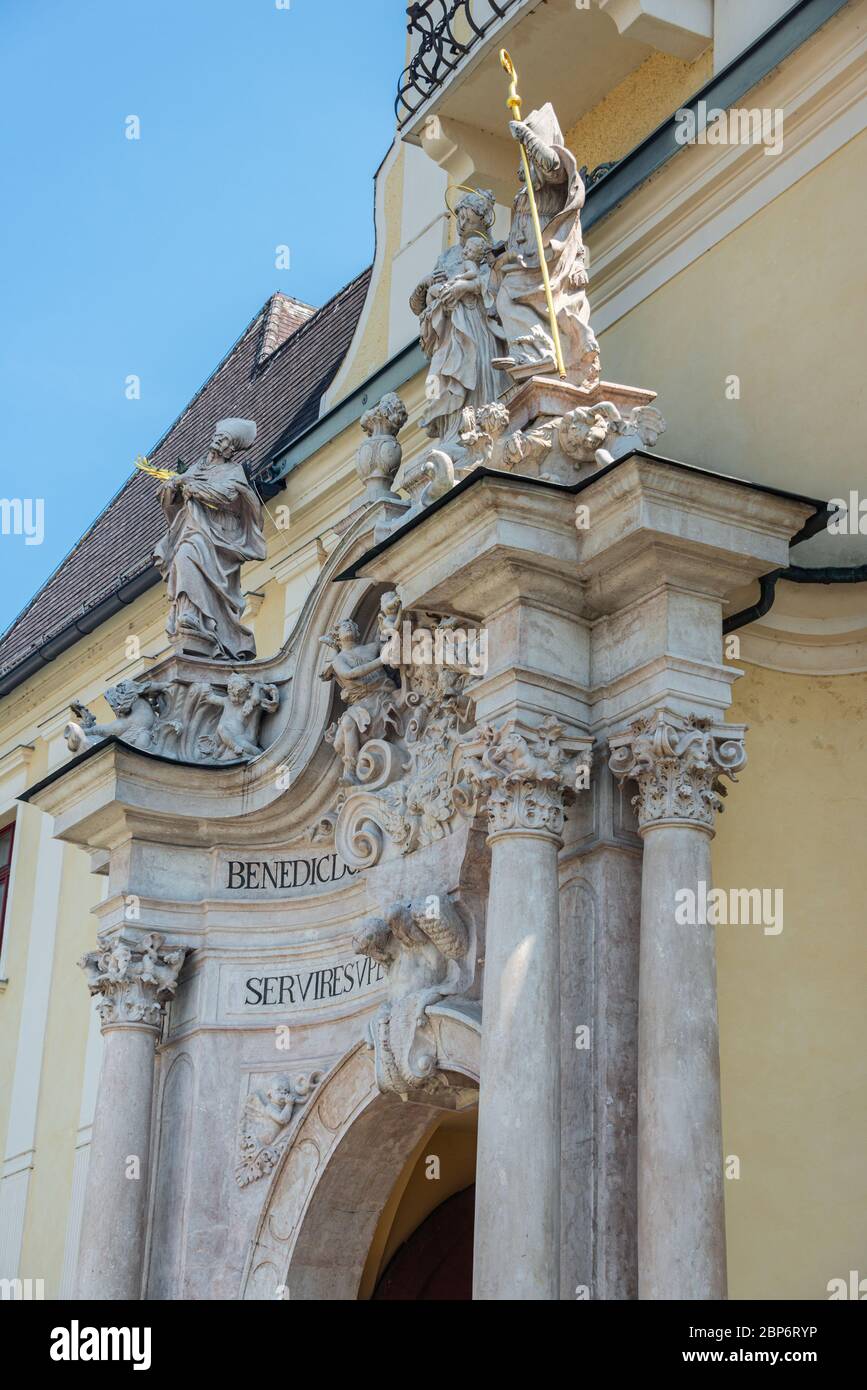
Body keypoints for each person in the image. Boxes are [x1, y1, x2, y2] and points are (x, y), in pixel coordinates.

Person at [153, 417, 266, 659]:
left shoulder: (233, 472)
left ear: (230, 448)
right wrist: (171, 489)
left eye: (224, 439)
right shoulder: (196, 468)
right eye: (218, 436)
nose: (218, 440)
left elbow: (224, 497)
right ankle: (191, 615)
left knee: (186, 556)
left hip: (219, 537)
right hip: (193, 529)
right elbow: (173, 502)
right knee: (182, 558)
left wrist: (191, 486)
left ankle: (205, 622)